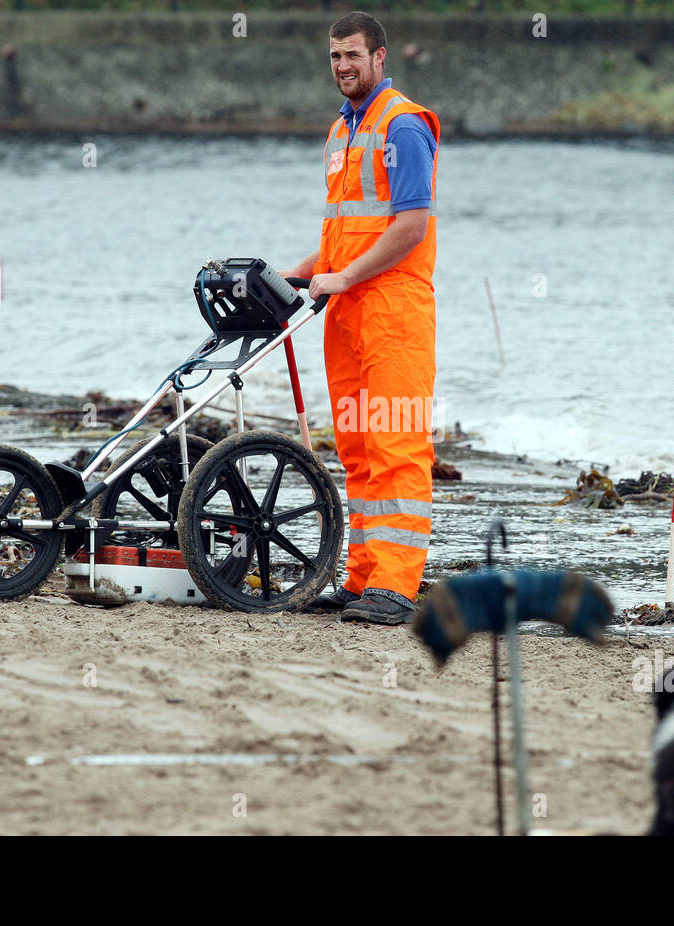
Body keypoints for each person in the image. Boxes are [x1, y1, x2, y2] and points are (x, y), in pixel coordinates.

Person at [283, 12, 439, 625]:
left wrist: (344, 276)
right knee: (356, 449)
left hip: (395, 310)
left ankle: (397, 587)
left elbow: (409, 226)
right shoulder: (341, 131)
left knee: (396, 444)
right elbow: (345, 237)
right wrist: (292, 276)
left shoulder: (402, 126)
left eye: (353, 55)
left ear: (379, 57)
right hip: (346, 312)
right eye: (335, 57)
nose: (343, 66)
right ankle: (362, 578)